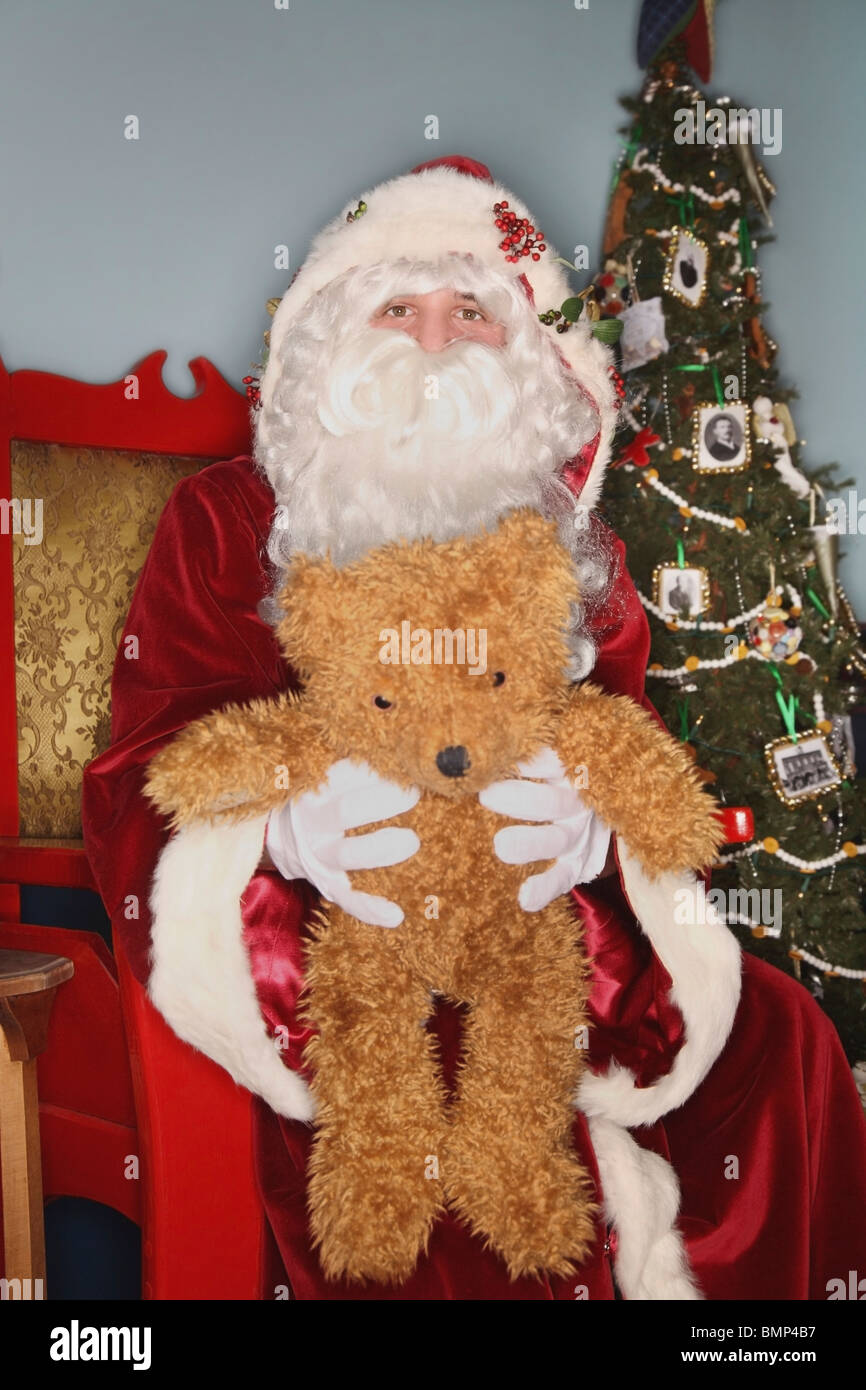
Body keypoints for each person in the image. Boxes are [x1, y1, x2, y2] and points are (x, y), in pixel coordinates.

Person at [81, 155, 866, 1301]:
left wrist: (597, 834)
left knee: (783, 1038)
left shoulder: (569, 549)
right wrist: (279, 836)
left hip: (553, 940)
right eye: (396, 308)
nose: (433, 344)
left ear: (533, 362)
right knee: (445, 1186)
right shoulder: (222, 521)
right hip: (326, 965)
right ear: (328, 345)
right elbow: (144, 765)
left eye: (470, 314)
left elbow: (629, 742)